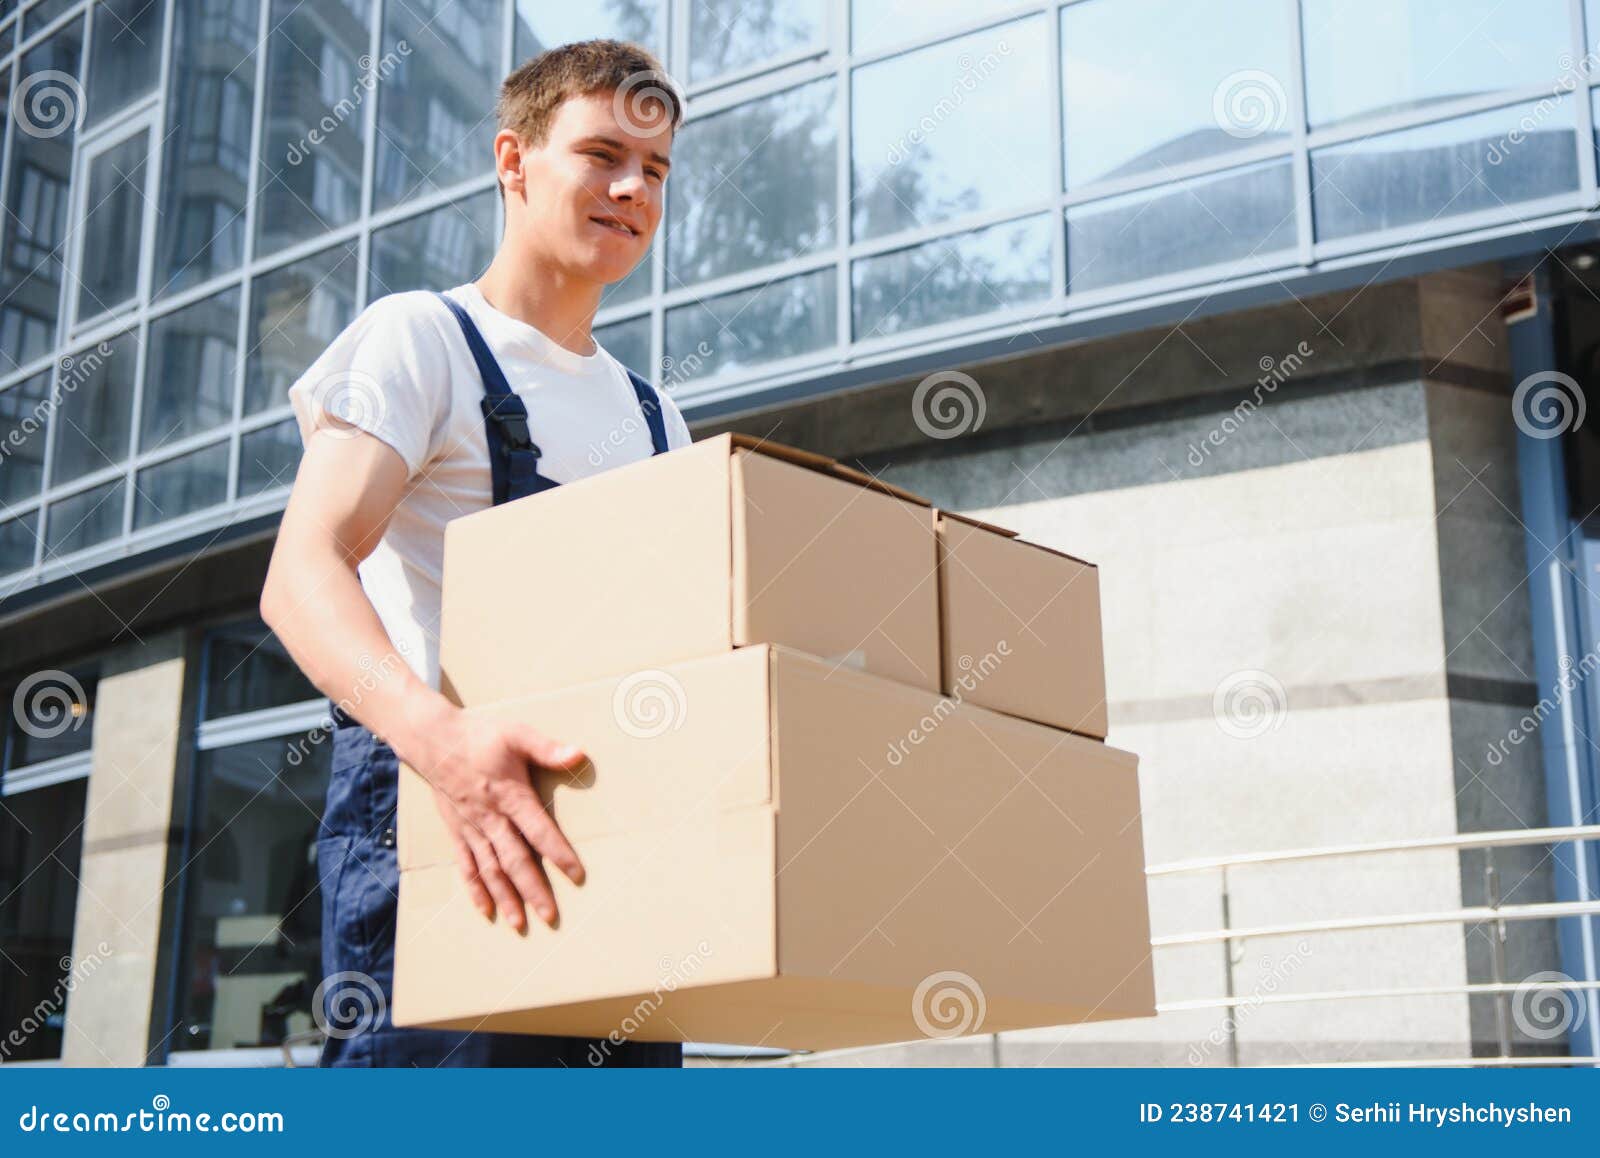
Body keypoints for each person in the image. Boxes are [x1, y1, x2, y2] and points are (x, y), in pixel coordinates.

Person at [260, 39, 689, 1068]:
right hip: (436, 827)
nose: (633, 188)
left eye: (657, 169)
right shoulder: (423, 339)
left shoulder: (658, 413)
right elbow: (300, 573)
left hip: (610, 845)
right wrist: (442, 747)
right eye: (601, 155)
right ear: (514, 160)